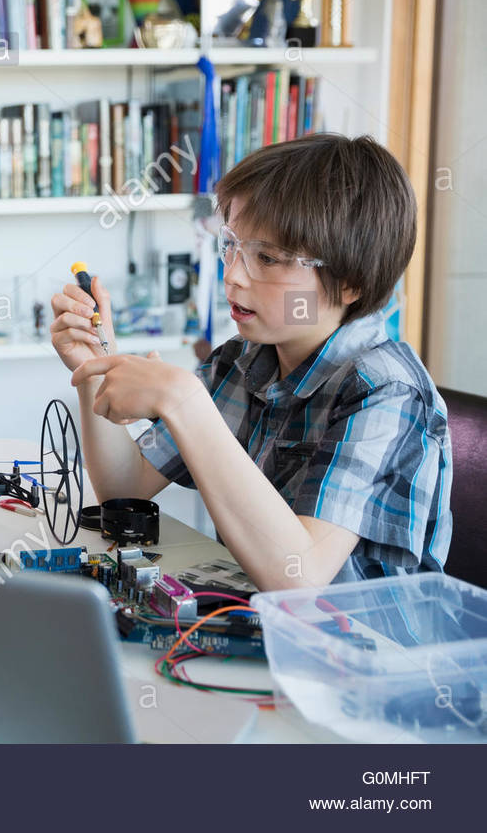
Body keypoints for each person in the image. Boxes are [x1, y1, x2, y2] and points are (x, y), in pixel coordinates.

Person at [51, 133, 451, 591]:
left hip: (366, 649)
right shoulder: (244, 360)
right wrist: (94, 366)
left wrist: (184, 402)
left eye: (267, 258)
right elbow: (125, 491)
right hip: (260, 628)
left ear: (349, 283)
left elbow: (300, 580)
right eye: (232, 245)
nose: (234, 274)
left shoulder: (387, 392)